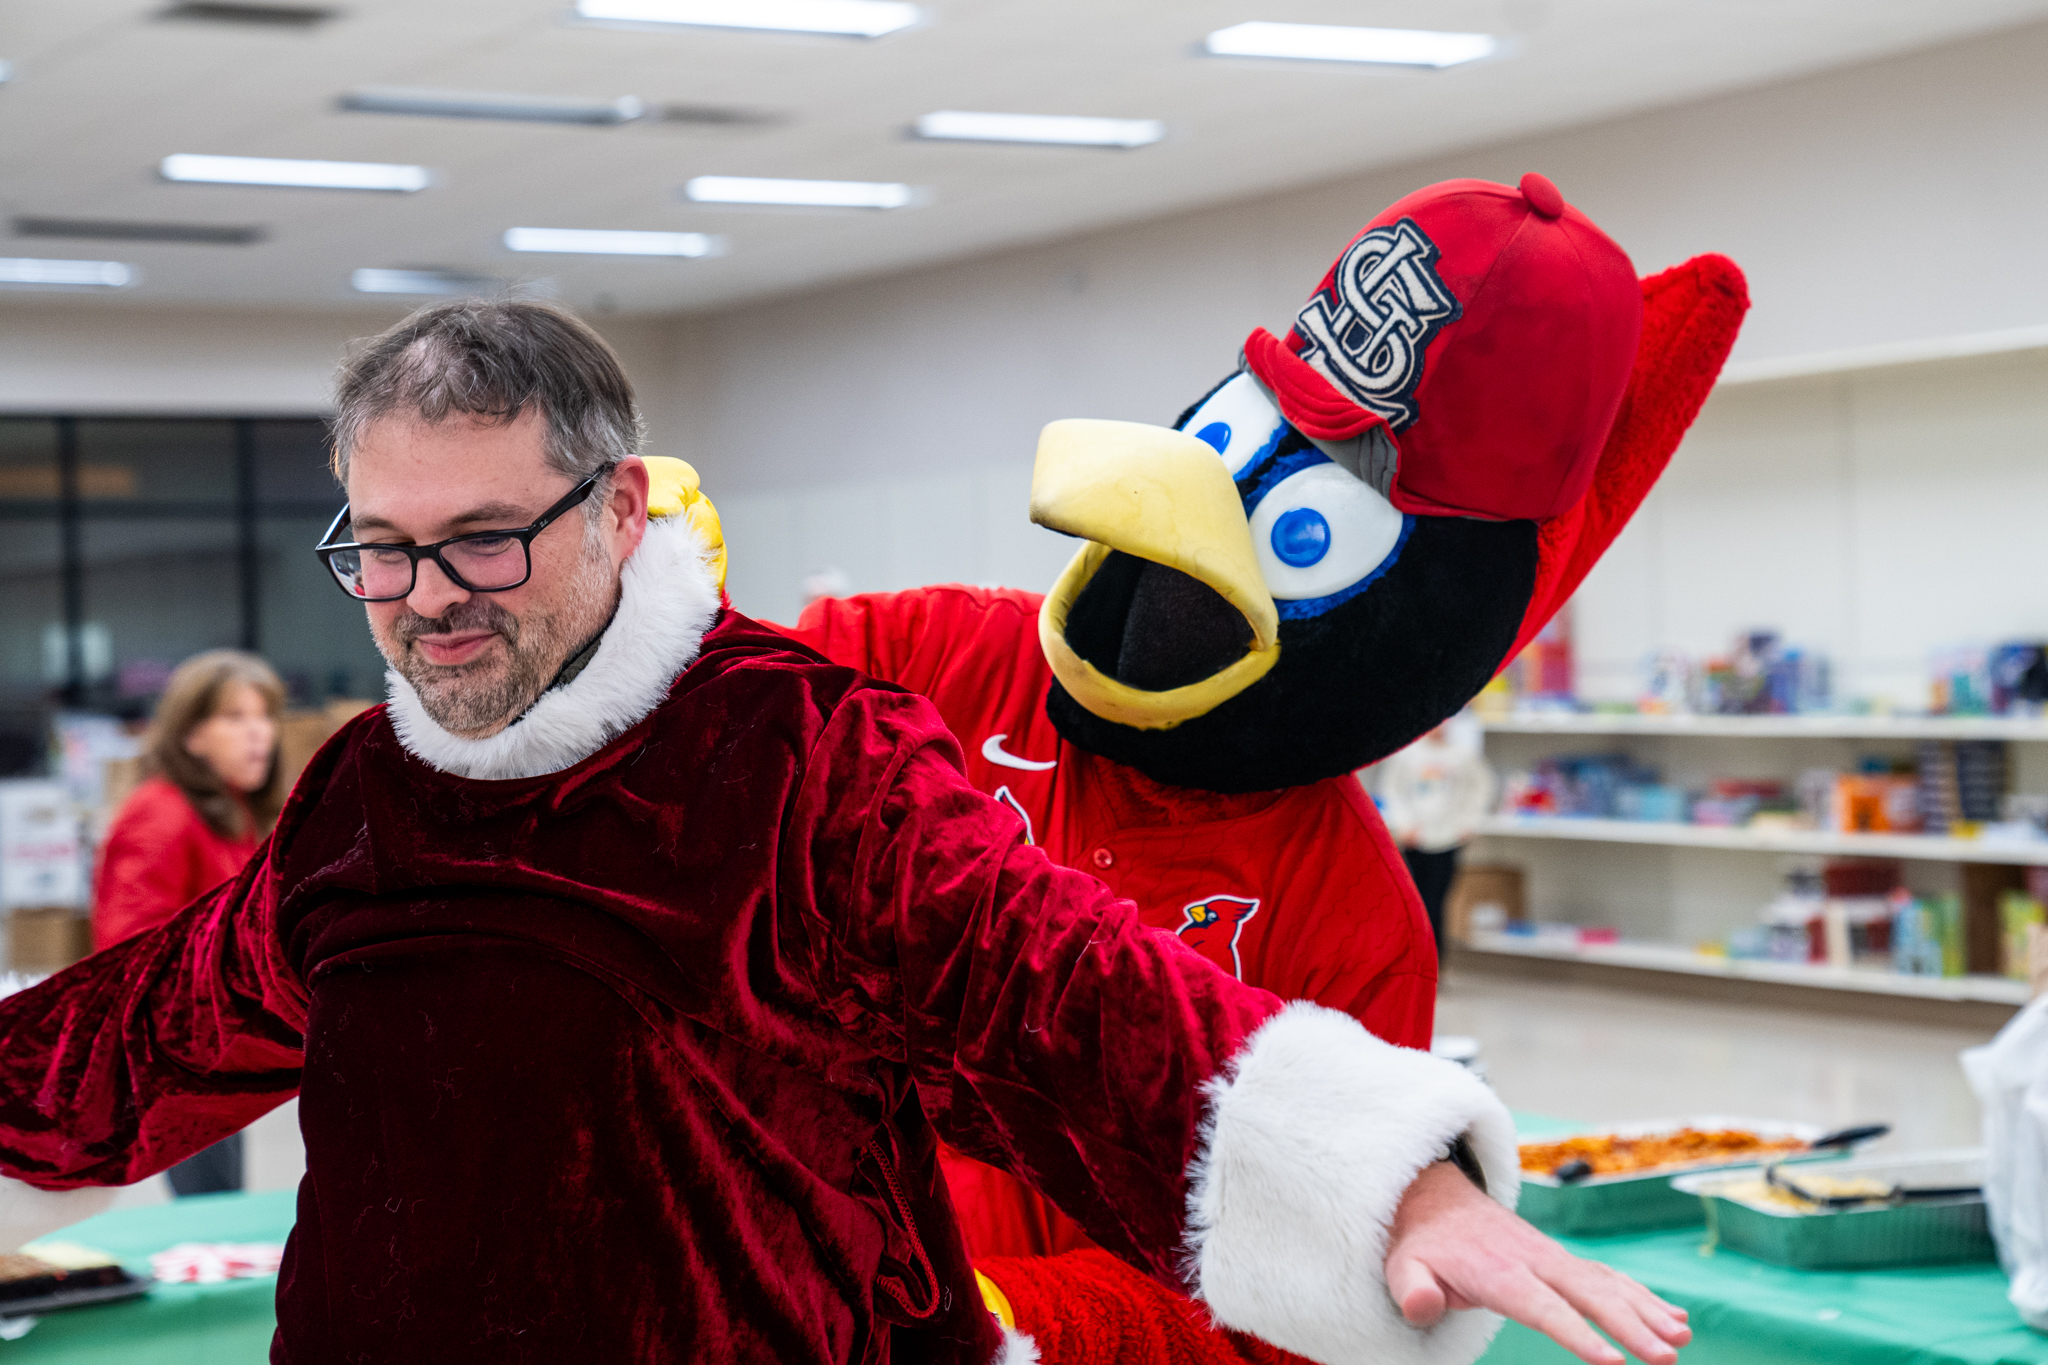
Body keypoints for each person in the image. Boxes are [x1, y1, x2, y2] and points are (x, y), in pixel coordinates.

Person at [0, 301, 1687, 1365]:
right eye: (381, 545)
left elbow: (1055, 983)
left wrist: (1379, 1182)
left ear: (619, 511)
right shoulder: (370, 787)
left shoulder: (791, 747)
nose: (428, 597)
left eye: (485, 538)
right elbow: (157, 1024)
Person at [91, 649, 286, 1197]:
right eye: (235, 717)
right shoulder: (163, 813)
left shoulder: (228, 810)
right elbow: (130, 943)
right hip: (181, 1051)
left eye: (265, 716)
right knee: (211, 1208)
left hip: (219, 1045)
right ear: (191, 736)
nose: (259, 733)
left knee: (221, 1200)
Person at [1376, 715, 1499, 959]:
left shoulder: (1462, 755)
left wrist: (1468, 822)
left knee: (1437, 901)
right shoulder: (1406, 755)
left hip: (1447, 837)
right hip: (1415, 839)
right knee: (1413, 901)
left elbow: (1482, 788)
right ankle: (1411, 958)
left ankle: (1434, 959)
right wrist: (1404, 824)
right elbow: (1391, 790)